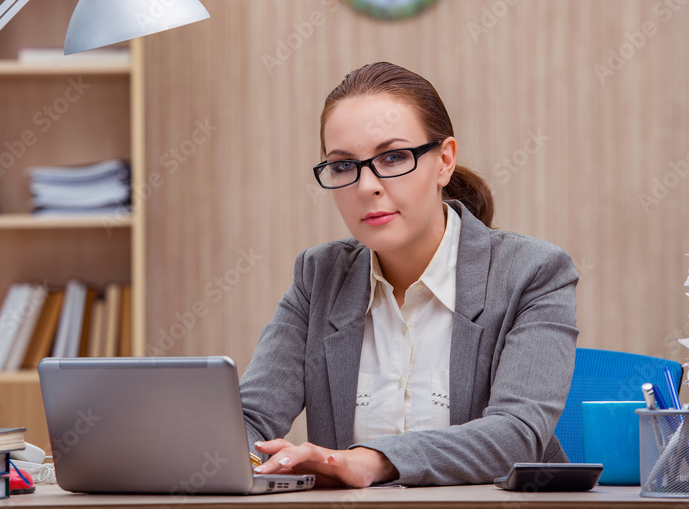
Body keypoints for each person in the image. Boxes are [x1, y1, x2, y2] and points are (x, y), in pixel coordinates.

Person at [240, 62, 579, 488]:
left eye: (393, 157)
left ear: (444, 162)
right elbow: (250, 419)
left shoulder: (533, 271)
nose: (367, 186)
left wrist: (373, 460)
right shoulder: (318, 276)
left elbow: (517, 435)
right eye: (343, 166)